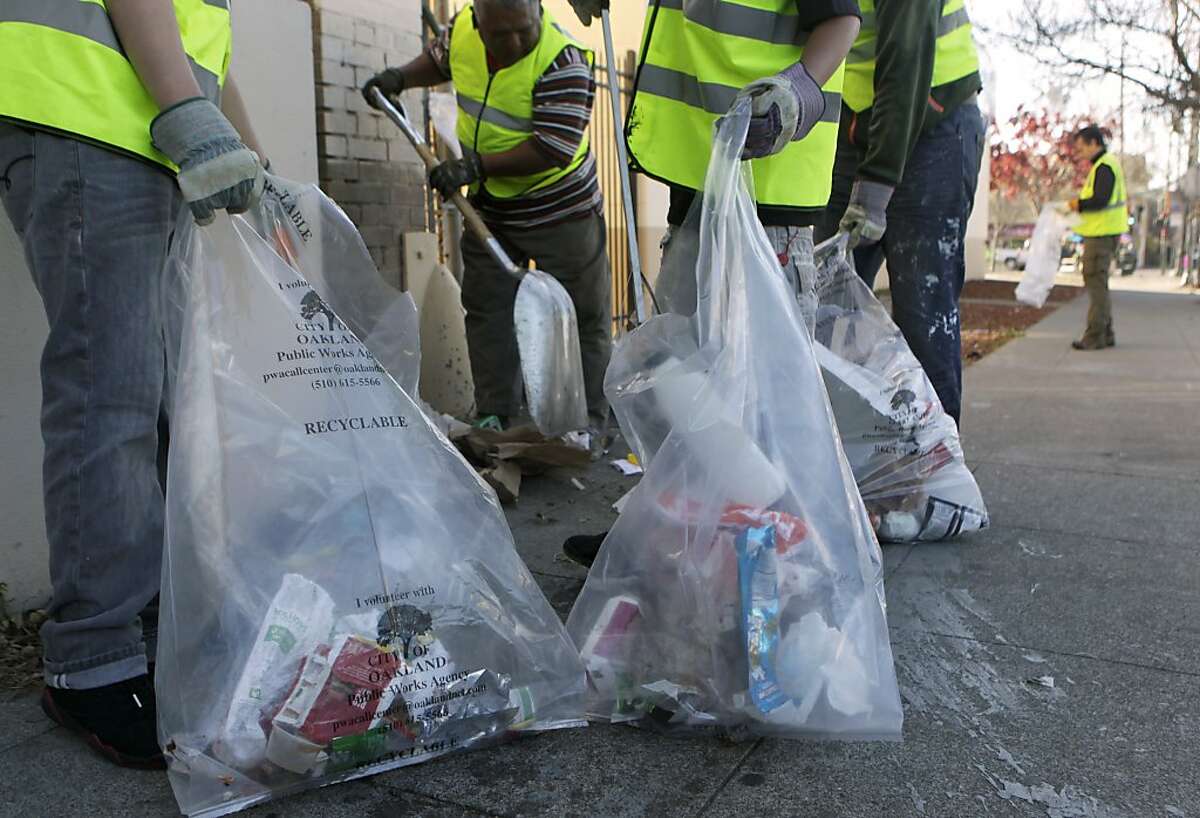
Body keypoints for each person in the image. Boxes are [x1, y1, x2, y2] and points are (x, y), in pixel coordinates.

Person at [0, 0, 264, 768]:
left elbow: (201, 37)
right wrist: (185, 109)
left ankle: (152, 626)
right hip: (90, 116)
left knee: (160, 398)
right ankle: (91, 662)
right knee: (109, 393)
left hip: (144, 129)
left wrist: (249, 150)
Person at [560, 0, 861, 567]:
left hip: (769, 194)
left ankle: (781, 560)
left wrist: (798, 90)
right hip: (697, 182)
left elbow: (841, 19)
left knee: (767, 398)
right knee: (682, 383)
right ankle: (672, 533)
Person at [364, 0, 611, 435]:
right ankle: (494, 414)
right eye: (500, 34)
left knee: (581, 316)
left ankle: (587, 423)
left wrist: (473, 167)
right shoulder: (462, 30)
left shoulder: (564, 61)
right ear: (478, 24)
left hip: (561, 211)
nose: (514, 42)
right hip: (491, 207)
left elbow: (552, 148)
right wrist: (399, 78)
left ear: (537, 10)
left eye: (524, 30)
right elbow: (439, 61)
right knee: (488, 311)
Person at [817, 0, 985, 426]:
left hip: (934, 121)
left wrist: (877, 180)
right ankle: (838, 451)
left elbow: (906, 56)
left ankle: (933, 460)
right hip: (860, 123)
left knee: (923, 314)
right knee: (818, 303)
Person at [1067, 125, 1126, 350]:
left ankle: (1095, 335)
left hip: (1101, 234)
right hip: (1104, 232)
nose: (1080, 153)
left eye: (1082, 147)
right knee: (1099, 283)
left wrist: (1078, 204)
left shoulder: (1104, 166)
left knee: (1095, 283)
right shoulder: (1105, 165)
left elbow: (1100, 199)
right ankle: (1106, 333)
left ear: (1094, 143)